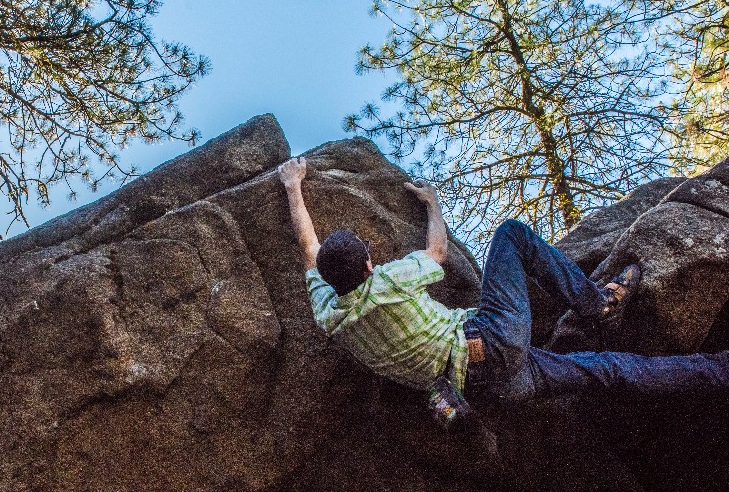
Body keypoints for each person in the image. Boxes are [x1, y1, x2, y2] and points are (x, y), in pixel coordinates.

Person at [278, 156, 729, 414]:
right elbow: (437, 251)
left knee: (606, 369)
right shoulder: (389, 282)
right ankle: (599, 305)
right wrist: (433, 204)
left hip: (490, 392)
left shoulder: (327, 313)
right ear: (369, 265)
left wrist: (293, 189)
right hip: (493, 340)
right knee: (511, 233)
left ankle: (719, 371)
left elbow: (307, 248)